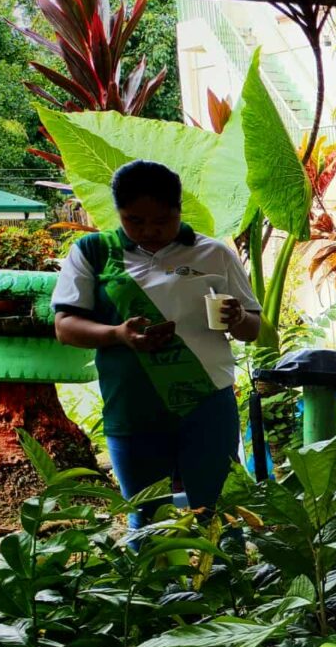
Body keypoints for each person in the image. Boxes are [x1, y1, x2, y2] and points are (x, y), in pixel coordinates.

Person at [53, 161, 262, 526]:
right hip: (132, 406)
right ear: (118, 212)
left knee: (222, 513)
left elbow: (252, 328)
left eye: (162, 220)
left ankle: (226, 582)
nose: (149, 230)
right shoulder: (93, 253)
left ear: (179, 210)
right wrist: (117, 334)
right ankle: (155, 585)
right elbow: (65, 326)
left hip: (207, 402)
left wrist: (239, 319)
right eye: (135, 221)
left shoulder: (213, 253)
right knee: (147, 519)